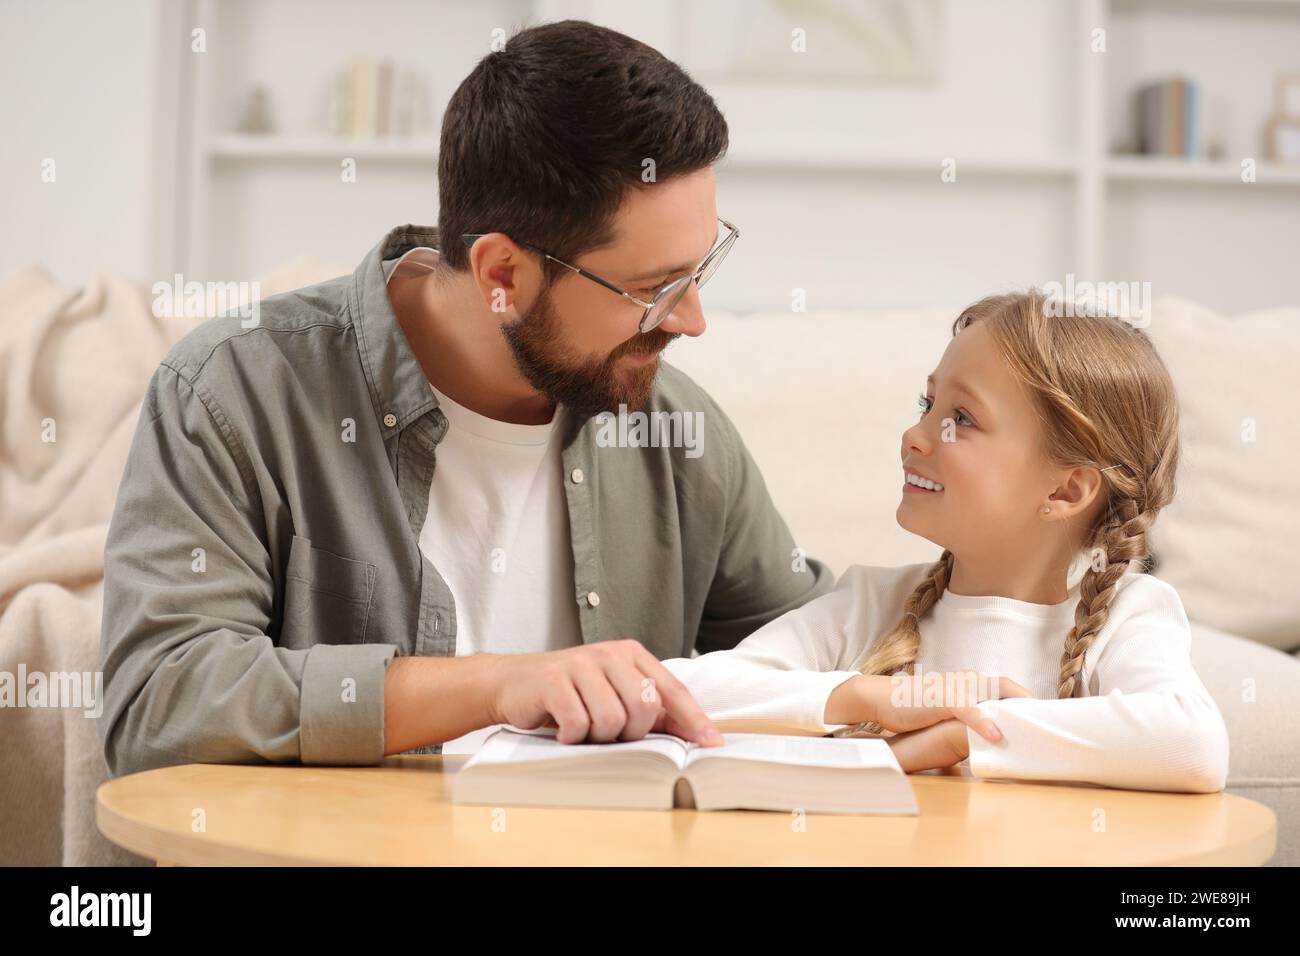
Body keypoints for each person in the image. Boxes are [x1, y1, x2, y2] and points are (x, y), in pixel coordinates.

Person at [98, 20, 833, 776]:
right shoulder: (236, 392)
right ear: (502, 275)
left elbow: (808, 645)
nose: (691, 320)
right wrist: (503, 682)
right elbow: (157, 703)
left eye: (698, 271)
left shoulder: (674, 429)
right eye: (652, 290)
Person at [662, 290, 1230, 793]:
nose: (915, 436)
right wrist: (866, 698)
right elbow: (676, 692)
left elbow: (1193, 745)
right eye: (926, 405)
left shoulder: (1127, 617)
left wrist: (966, 736)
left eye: (962, 417)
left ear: (1065, 488)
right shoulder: (868, 603)